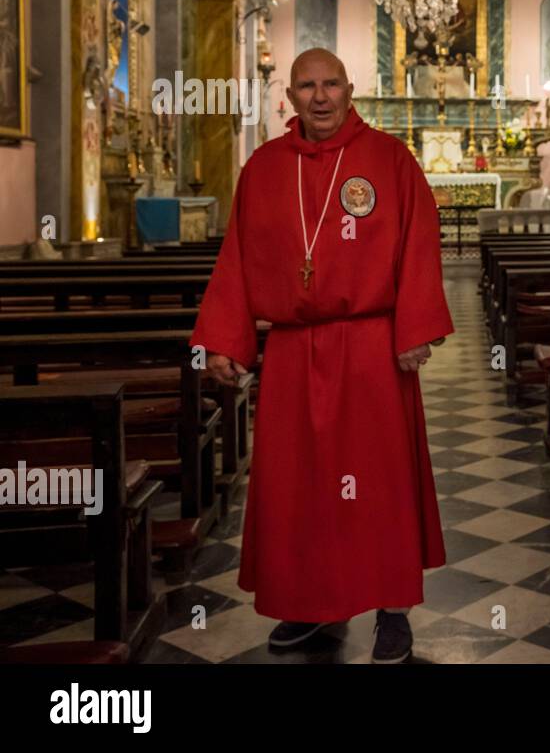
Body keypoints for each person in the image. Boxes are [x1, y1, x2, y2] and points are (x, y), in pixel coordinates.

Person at [190, 48, 454, 663]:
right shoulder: (264, 168)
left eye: (330, 83)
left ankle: (392, 612)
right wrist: (225, 339)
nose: (320, 96)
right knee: (300, 488)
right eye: (307, 86)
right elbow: (235, 256)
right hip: (291, 350)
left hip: (371, 350)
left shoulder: (389, 160)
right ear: (289, 94)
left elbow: (421, 240)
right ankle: (309, 604)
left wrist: (415, 327)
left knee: (379, 486)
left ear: (350, 87)